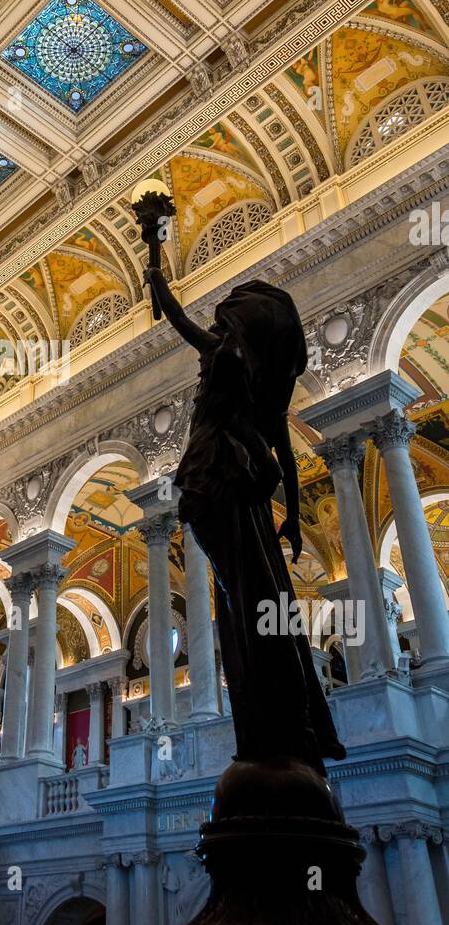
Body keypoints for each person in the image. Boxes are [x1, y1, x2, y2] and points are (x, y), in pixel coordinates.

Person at [143, 265, 346, 775]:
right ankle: (288, 719)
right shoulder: (264, 391)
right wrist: (294, 515)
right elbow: (285, 460)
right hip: (237, 490)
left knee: (248, 601)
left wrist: (154, 269)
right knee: (260, 601)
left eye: (226, 319)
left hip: (216, 480)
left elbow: (176, 318)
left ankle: (272, 720)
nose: (217, 328)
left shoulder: (224, 361)